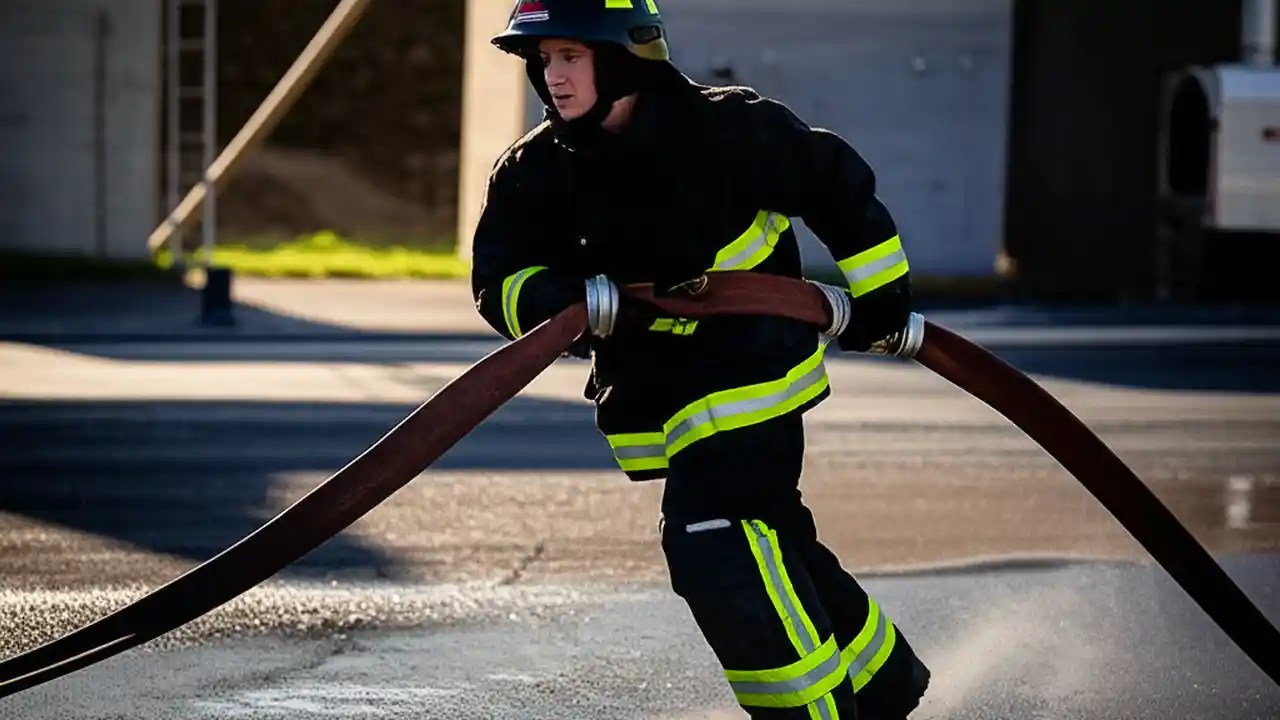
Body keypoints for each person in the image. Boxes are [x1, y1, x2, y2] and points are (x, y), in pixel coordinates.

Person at [470, 2, 930, 717]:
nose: (551, 76)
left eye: (569, 56)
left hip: (750, 383)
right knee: (772, 538)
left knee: (715, 548)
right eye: (543, 59)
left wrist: (880, 300)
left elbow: (835, 183)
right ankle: (880, 681)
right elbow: (496, 282)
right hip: (664, 398)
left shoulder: (728, 130)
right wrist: (568, 301)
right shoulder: (535, 171)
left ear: (621, 55)